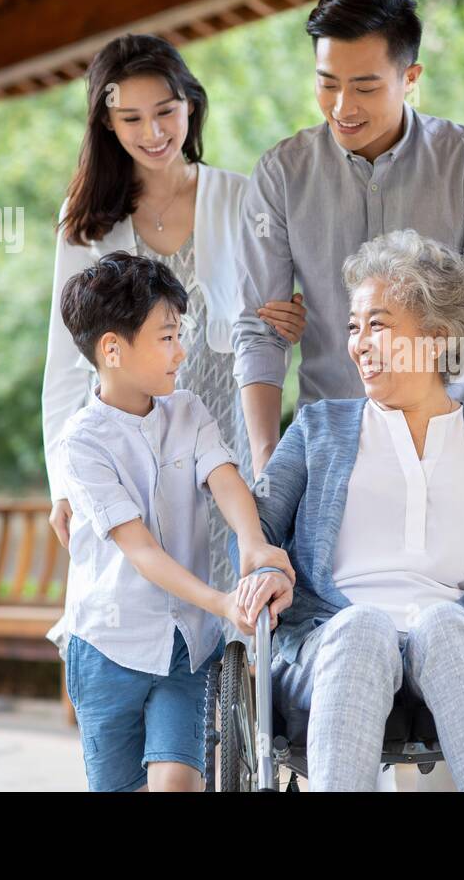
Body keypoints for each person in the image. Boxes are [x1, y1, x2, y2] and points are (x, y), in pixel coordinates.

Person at [231, 230, 464, 791]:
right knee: (363, 628)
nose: (358, 343)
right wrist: (270, 569)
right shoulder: (319, 428)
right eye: (354, 326)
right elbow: (257, 531)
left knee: (444, 623)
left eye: (378, 324)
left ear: (436, 338)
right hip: (331, 638)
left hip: (456, 641)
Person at [231, 0, 464, 510]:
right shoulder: (282, 174)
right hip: (331, 449)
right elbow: (261, 331)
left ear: (410, 77)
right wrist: (267, 471)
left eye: (365, 86)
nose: (341, 106)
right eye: (327, 82)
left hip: (455, 443)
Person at [55, 251, 293, 792]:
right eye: (166, 337)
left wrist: (253, 543)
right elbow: (139, 551)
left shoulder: (186, 410)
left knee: (177, 781)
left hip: (186, 644)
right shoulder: (82, 443)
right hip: (108, 646)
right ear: (112, 349)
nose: (181, 351)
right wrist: (222, 602)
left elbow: (225, 477)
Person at [42, 33, 257, 622]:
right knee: (140, 611)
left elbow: (267, 323)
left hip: (221, 441)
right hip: (124, 449)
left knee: (233, 617)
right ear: (106, 123)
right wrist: (61, 480)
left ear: (191, 103)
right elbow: (67, 358)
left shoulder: (239, 197)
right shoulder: (85, 218)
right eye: (130, 117)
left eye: (165, 111)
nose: (153, 131)